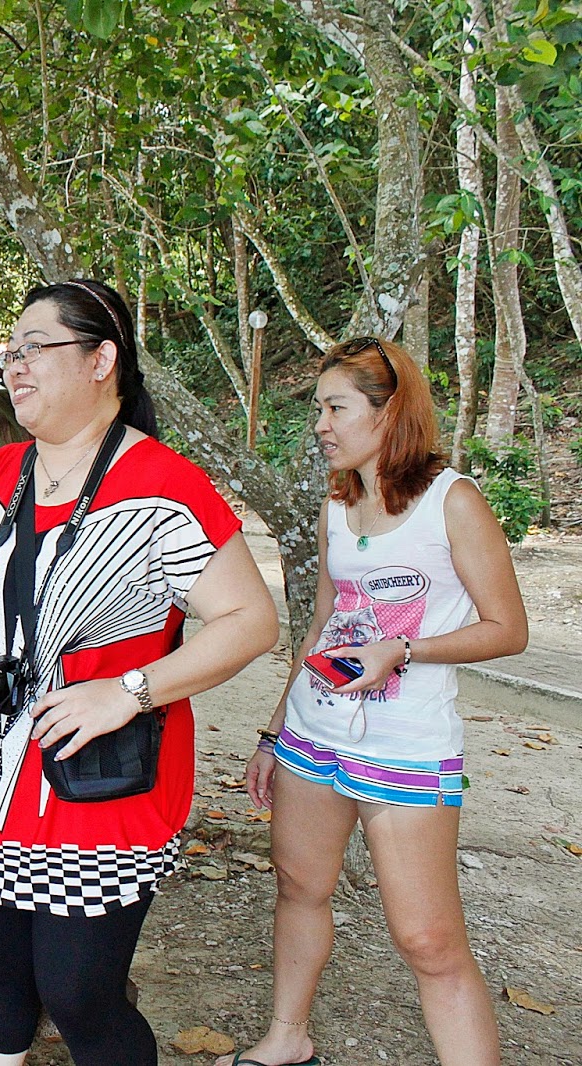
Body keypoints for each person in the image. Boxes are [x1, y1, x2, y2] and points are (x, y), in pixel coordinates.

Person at [0, 278, 279, 1066]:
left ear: (103, 360)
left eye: (36, 348)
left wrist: (130, 691)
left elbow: (252, 622)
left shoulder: (164, 485)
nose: (15, 366)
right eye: (10, 352)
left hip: (95, 786)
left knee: (78, 992)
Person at [219, 337, 527, 1066]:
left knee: (428, 939)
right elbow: (323, 621)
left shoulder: (453, 503)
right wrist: (272, 732)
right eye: (319, 409)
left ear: (390, 414)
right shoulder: (340, 504)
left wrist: (405, 650)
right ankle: (287, 1040)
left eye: (336, 408)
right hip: (313, 734)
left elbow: (508, 629)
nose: (321, 424)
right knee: (298, 887)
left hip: (407, 746)